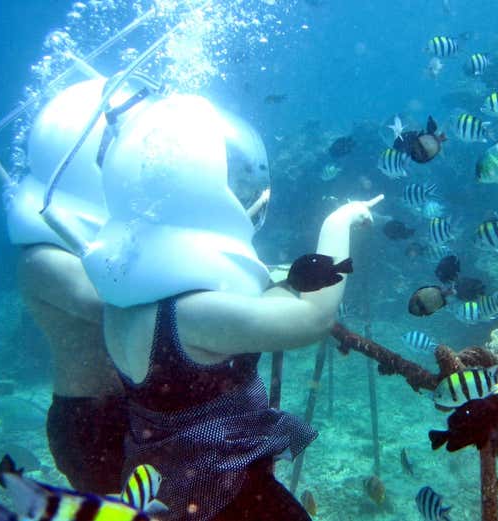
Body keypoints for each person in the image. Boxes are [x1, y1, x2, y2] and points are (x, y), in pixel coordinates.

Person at [30, 83, 383, 520]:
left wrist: (275, 283)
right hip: (227, 494)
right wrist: (339, 220)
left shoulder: (125, 302)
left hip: (176, 492)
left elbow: (244, 313)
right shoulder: (194, 315)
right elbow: (311, 317)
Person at [1, 79, 129, 494]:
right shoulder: (41, 257)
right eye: (106, 149)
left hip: (127, 407)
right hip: (91, 419)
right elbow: (113, 304)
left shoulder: (87, 239)